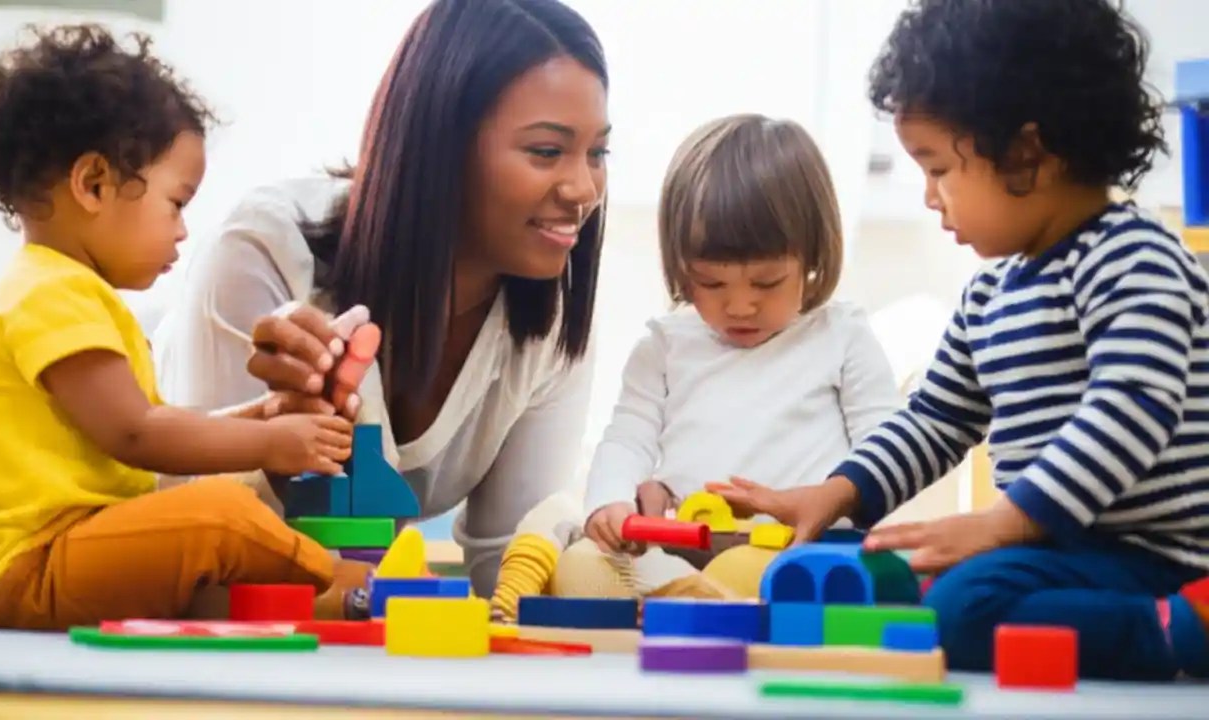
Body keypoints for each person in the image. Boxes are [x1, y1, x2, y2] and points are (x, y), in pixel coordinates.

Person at [710, 0, 1209, 681]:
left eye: (938, 168)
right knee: (882, 566)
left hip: (1152, 557)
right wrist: (839, 492)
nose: (928, 197)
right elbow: (936, 418)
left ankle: (1181, 627)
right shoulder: (991, 293)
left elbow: (1130, 407)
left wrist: (1005, 522)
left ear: (1027, 154)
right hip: (1052, 552)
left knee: (966, 608)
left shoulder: (1136, 258)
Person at [152, 0, 610, 596]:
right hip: (162, 577)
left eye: (598, 152)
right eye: (547, 152)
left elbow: (510, 557)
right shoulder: (267, 252)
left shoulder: (551, 313)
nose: (583, 189)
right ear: (442, 147)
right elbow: (218, 532)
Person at [0, 24, 380, 630]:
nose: (182, 231)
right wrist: (268, 445)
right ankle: (356, 585)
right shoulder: (49, 293)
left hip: (74, 548)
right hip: (29, 565)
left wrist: (259, 418)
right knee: (220, 514)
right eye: (176, 203)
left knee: (211, 578)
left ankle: (327, 606)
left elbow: (150, 431)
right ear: (93, 185)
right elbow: (140, 435)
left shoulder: (74, 295)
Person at [551, 114, 901, 596]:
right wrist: (610, 503)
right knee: (579, 569)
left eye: (767, 283)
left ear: (814, 255)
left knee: (763, 577)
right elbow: (627, 438)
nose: (739, 306)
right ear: (679, 266)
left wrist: (844, 505)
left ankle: (706, 596)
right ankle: (697, 593)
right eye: (711, 283)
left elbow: (885, 445)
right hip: (684, 545)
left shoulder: (841, 336)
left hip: (801, 546)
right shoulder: (665, 346)